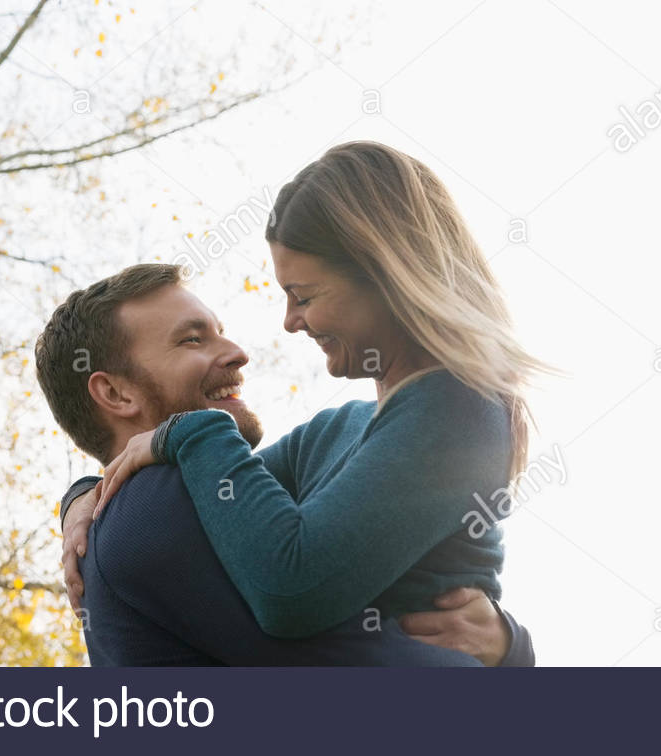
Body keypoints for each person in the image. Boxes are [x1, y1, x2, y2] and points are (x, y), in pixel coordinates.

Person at [63, 142, 551, 650]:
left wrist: (187, 432)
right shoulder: (336, 431)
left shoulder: (458, 411)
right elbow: (215, 503)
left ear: (385, 278)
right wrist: (85, 499)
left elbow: (293, 589)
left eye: (305, 296)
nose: (291, 322)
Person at [38, 263, 533, 665]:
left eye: (220, 333)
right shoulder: (156, 510)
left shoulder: (206, 494)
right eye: (192, 340)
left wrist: (504, 641)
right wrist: (508, 660)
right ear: (115, 393)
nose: (236, 353)